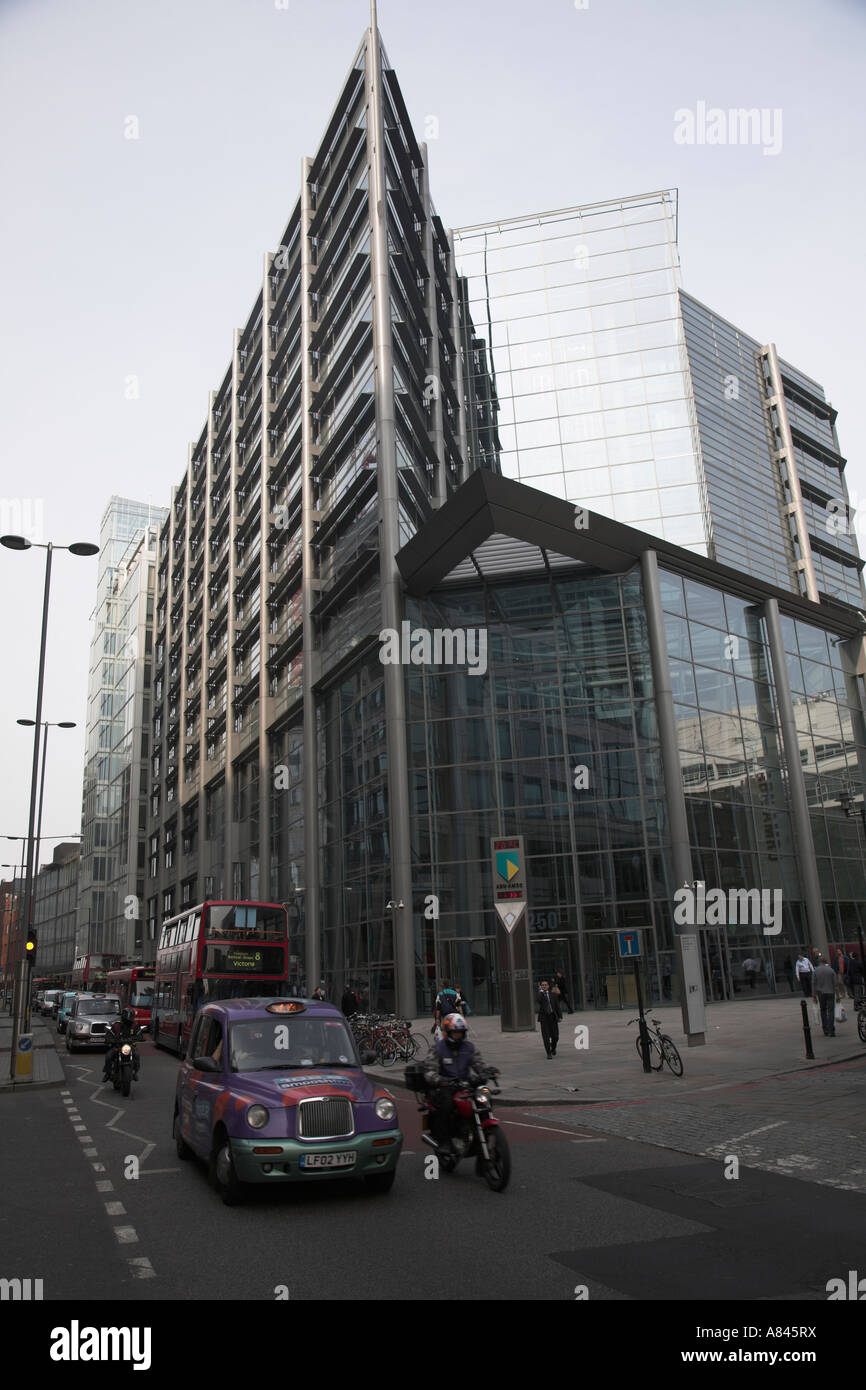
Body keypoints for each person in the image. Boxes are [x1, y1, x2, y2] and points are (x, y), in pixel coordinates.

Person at [421, 1012, 491, 1155]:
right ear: (448, 1032)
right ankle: (445, 1141)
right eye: (455, 1032)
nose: (458, 1035)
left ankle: (482, 1133)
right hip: (446, 1086)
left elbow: (479, 1064)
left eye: (460, 1032)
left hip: (465, 1084)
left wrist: (486, 1072)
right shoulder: (438, 1048)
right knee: (446, 1104)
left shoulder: (469, 1048)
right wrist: (439, 1079)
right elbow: (429, 1070)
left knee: (484, 1100)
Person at [102, 1007, 140, 1082]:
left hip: (129, 1046)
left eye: (131, 1017)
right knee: (108, 1056)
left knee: (137, 1055)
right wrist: (109, 1039)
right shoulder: (116, 1025)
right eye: (128, 1017)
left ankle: (135, 1072)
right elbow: (110, 1033)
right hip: (117, 1046)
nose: (129, 1020)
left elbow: (139, 1033)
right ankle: (108, 1073)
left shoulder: (134, 1025)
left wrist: (140, 1037)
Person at [812, 954, 839, 1037]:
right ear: (826, 962)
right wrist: (838, 996)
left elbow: (813, 984)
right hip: (830, 992)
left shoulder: (815, 971)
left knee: (823, 1010)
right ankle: (832, 1029)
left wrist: (814, 996)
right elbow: (836, 985)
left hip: (821, 993)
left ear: (819, 962)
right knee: (831, 1011)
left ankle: (825, 1029)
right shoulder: (831, 970)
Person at [537, 979, 562, 1058]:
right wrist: (541, 992)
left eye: (545, 985)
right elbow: (539, 1001)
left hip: (553, 1017)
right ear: (541, 987)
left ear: (548, 986)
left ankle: (553, 1047)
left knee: (555, 1036)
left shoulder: (553, 995)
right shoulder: (540, 994)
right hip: (544, 1018)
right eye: (542, 985)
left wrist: (560, 1016)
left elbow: (557, 1006)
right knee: (546, 1036)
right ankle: (548, 1053)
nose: (544, 986)